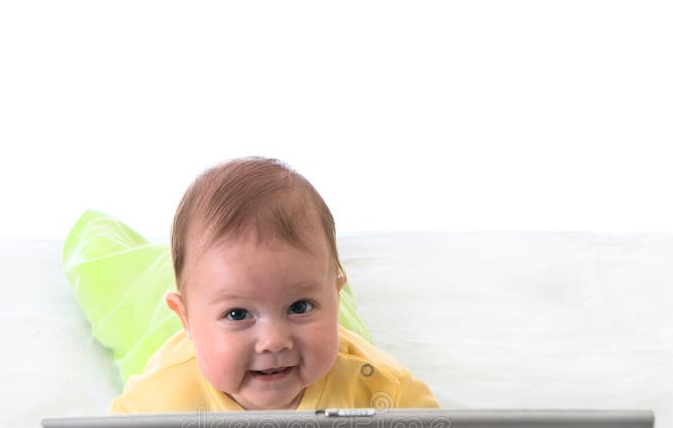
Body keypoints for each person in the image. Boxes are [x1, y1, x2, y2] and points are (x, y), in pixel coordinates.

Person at [109, 157, 439, 414]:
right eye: (238, 314)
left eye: (299, 307)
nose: (273, 341)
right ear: (186, 321)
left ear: (334, 302)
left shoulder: (379, 387)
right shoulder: (159, 397)